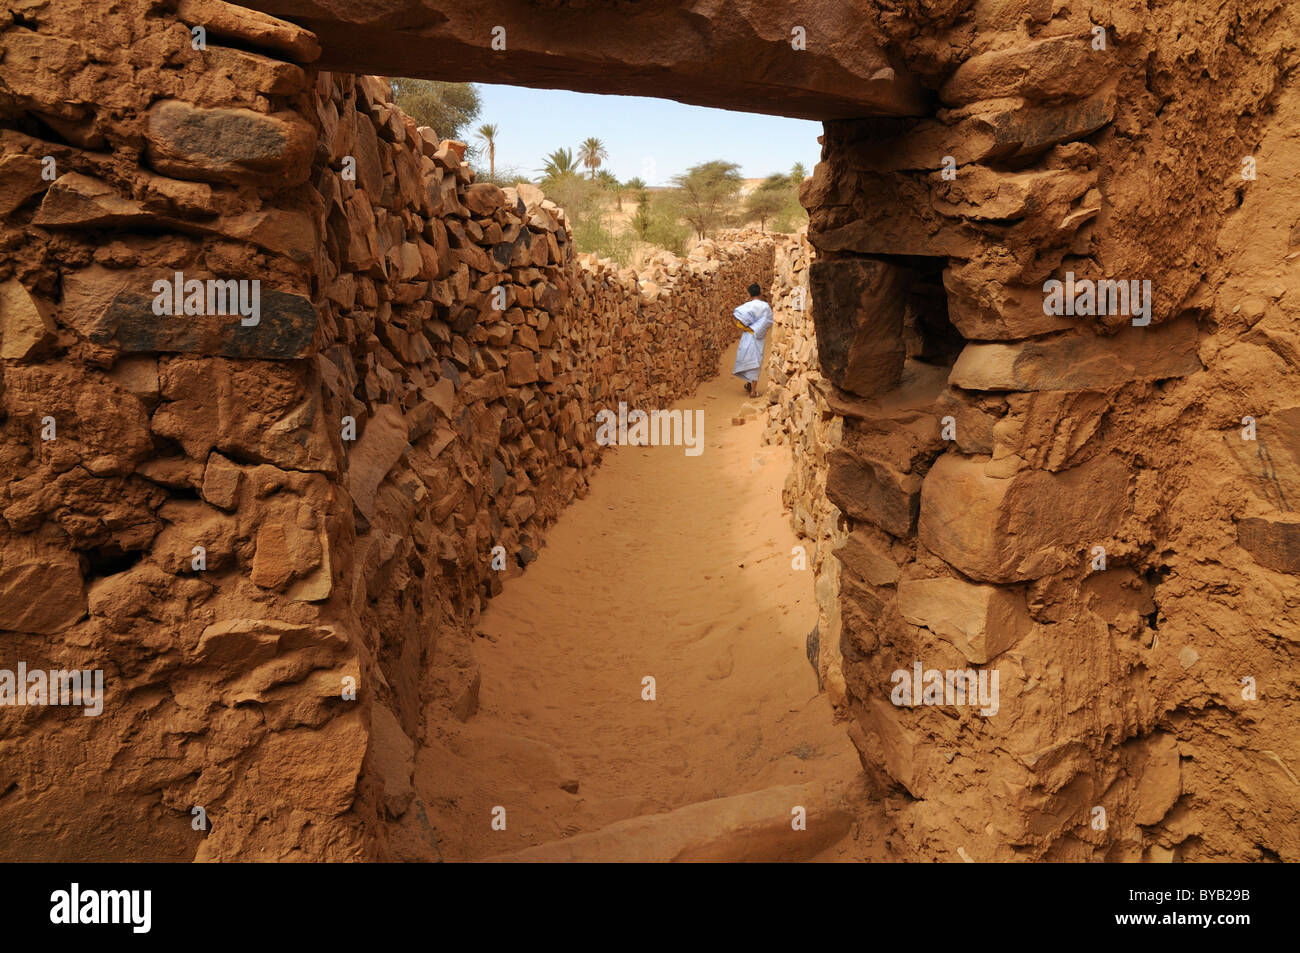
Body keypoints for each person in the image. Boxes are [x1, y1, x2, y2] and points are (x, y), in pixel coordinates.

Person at [732, 283, 774, 397]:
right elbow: (768, 322)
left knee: (747, 358)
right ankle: (753, 391)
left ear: (749, 294)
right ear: (760, 293)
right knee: (756, 361)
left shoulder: (746, 306)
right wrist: (757, 329)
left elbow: (737, 316)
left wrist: (747, 327)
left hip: (747, 337)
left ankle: (749, 385)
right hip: (758, 338)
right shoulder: (765, 306)